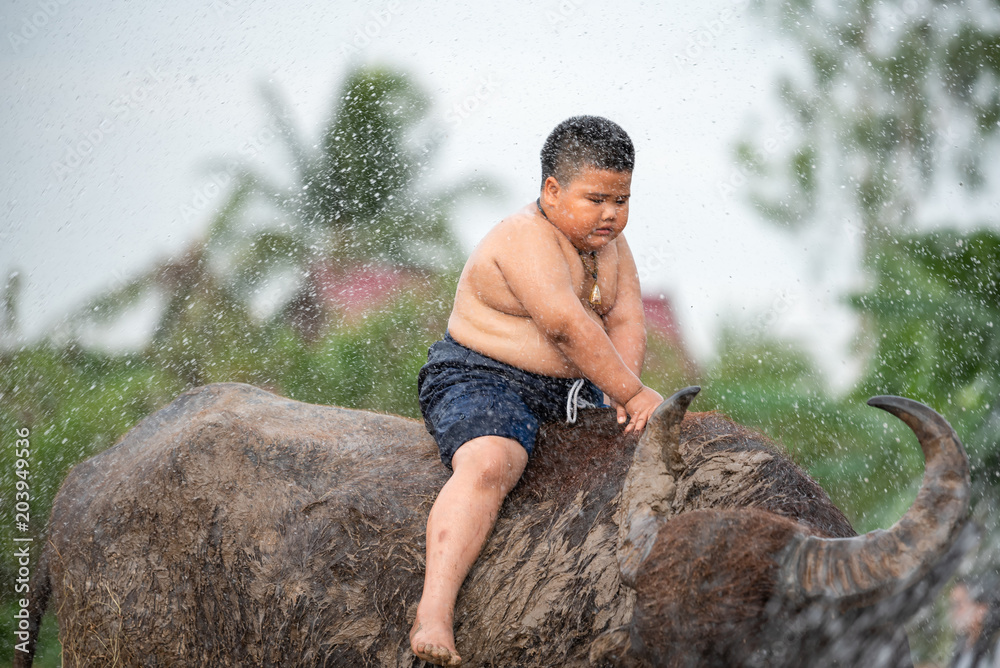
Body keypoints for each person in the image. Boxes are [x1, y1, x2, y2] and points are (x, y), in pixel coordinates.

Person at [409, 115, 664, 666]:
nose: (612, 213)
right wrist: (635, 392)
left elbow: (625, 321)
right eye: (596, 198)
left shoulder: (611, 246)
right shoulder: (524, 236)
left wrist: (624, 391)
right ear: (552, 190)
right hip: (482, 375)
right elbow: (566, 326)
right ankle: (434, 610)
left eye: (622, 200)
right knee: (491, 461)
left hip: (572, 390)